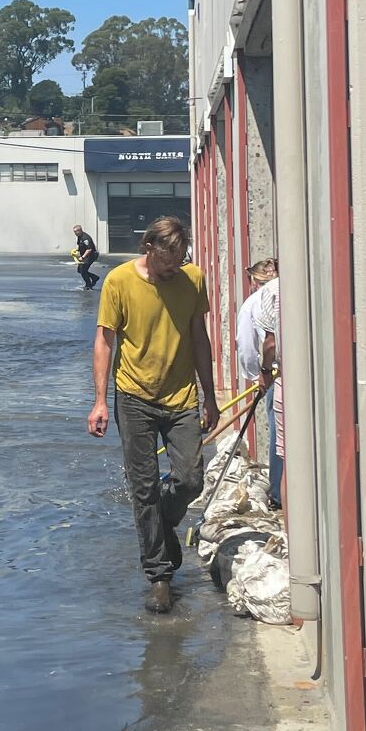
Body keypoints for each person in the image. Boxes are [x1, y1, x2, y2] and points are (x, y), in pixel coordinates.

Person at [89, 214, 219, 613]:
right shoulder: (119, 281)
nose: (173, 268)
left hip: (181, 397)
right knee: (143, 488)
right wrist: (98, 401)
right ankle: (160, 575)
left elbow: (199, 338)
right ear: (149, 248)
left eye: (180, 259)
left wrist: (210, 396)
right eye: (168, 260)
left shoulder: (192, 279)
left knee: (191, 479)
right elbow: (105, 342)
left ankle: (163, 522)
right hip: (134, 397)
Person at [235, 259, 279, 499]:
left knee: (277, 430)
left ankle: (276, 492)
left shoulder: (253, 303)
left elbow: (246, 345)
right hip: (283, 369)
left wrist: (255, 376)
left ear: (254, 280)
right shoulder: (286, 293)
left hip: (272, 372)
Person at [251, 268, 283, 509]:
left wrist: (263, 373)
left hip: (280, 373)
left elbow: (270, 342)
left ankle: (277, 494)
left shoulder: (271, 291)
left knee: (278, 434)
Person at [72, 225, 100, 290]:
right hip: (85, 255)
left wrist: (83, 257)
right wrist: (76, 251)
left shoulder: (85, 238)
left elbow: (89, 249)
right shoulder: (79, 237)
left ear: (80, 230)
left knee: (83, 271)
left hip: (90, 255)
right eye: (74, 232)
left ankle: (88, 285)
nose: (75, 233)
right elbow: (80, 245)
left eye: (76, 232)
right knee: (80, 270)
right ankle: (94, 277)